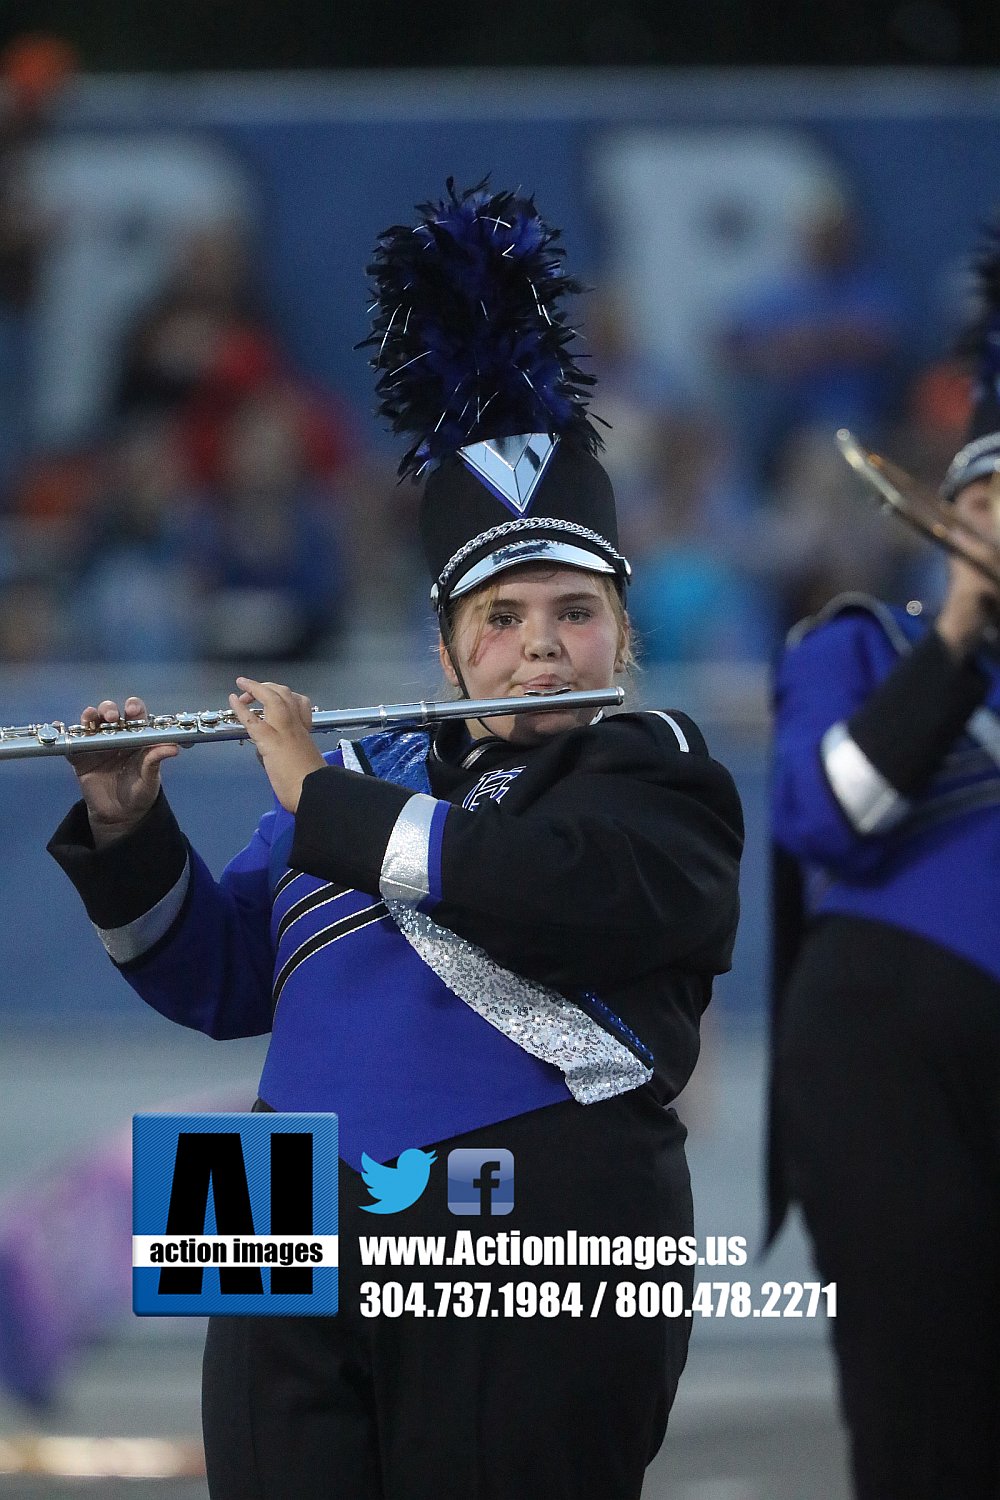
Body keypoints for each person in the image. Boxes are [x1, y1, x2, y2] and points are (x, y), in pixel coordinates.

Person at [47, 181, 743, 1500]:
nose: (542, 645)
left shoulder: (656, 773)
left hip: (524, 1215)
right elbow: (210, 978)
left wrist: (325, 805)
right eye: (504, 617)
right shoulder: (358, 774)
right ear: (444, 650)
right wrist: (126, 825)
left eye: (576, 612)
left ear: (622, 635)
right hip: (256, 1198)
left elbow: (557, 896)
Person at [769, 231, 1000, 1500]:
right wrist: (959, 629)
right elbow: (830, 820)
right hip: (888, 1067)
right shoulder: (853, 647)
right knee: (922, 1419)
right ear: (951, 516)